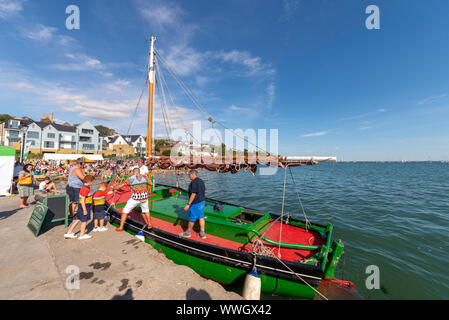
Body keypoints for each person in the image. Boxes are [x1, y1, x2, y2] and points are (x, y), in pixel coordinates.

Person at [113, 167, 153, 232]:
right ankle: (149, 224)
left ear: (134, 172)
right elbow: (151, 184)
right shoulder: (144, 177)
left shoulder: (130, 179)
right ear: (139, 172)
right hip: (144, 198)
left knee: (125, 211)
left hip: (135, 198)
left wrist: (114, 188)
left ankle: (120, 227)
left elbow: (121, 185)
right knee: (146, 211)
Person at [64, 175, 95, 240]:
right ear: (89, 181)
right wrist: (85, 210)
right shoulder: (85, 189)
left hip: (82, 206)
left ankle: (69, 233)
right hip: (84, 206)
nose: (93, 183)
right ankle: (82, 234)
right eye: (92, 181)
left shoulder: (84, 187)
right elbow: (83, 200)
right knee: (84, 221)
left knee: (78, 219)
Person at [180, 170, 206, 239]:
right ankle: (202, 233)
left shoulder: (194, 182)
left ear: (192, 174)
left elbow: (193, 194)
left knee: (192, 218)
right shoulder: (201, 181)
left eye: (189, 175)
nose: (188, 176)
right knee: (201, 217)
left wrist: (188, 204)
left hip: (196, 203)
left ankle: (188, 232)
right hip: (202, 201)